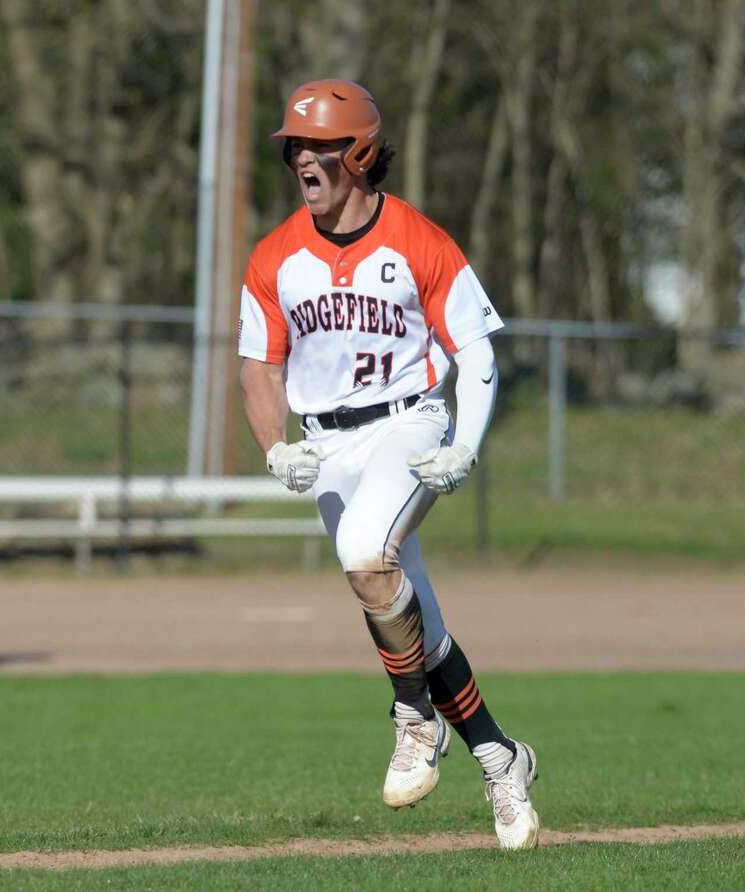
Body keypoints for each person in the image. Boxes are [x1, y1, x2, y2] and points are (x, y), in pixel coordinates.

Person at [237, 80, 539, 849]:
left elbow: (474, 349)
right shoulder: (274, 256)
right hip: (329, 442)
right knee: (416, 622)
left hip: (408, 421)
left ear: (361, 153)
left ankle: (413, 719)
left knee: (365, 554)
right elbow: (258, 369)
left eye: (320, 146)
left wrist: (465, 443)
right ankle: (502, 758)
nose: (302, 156)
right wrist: (276, 445)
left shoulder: (417, 239)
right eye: (294, 147)